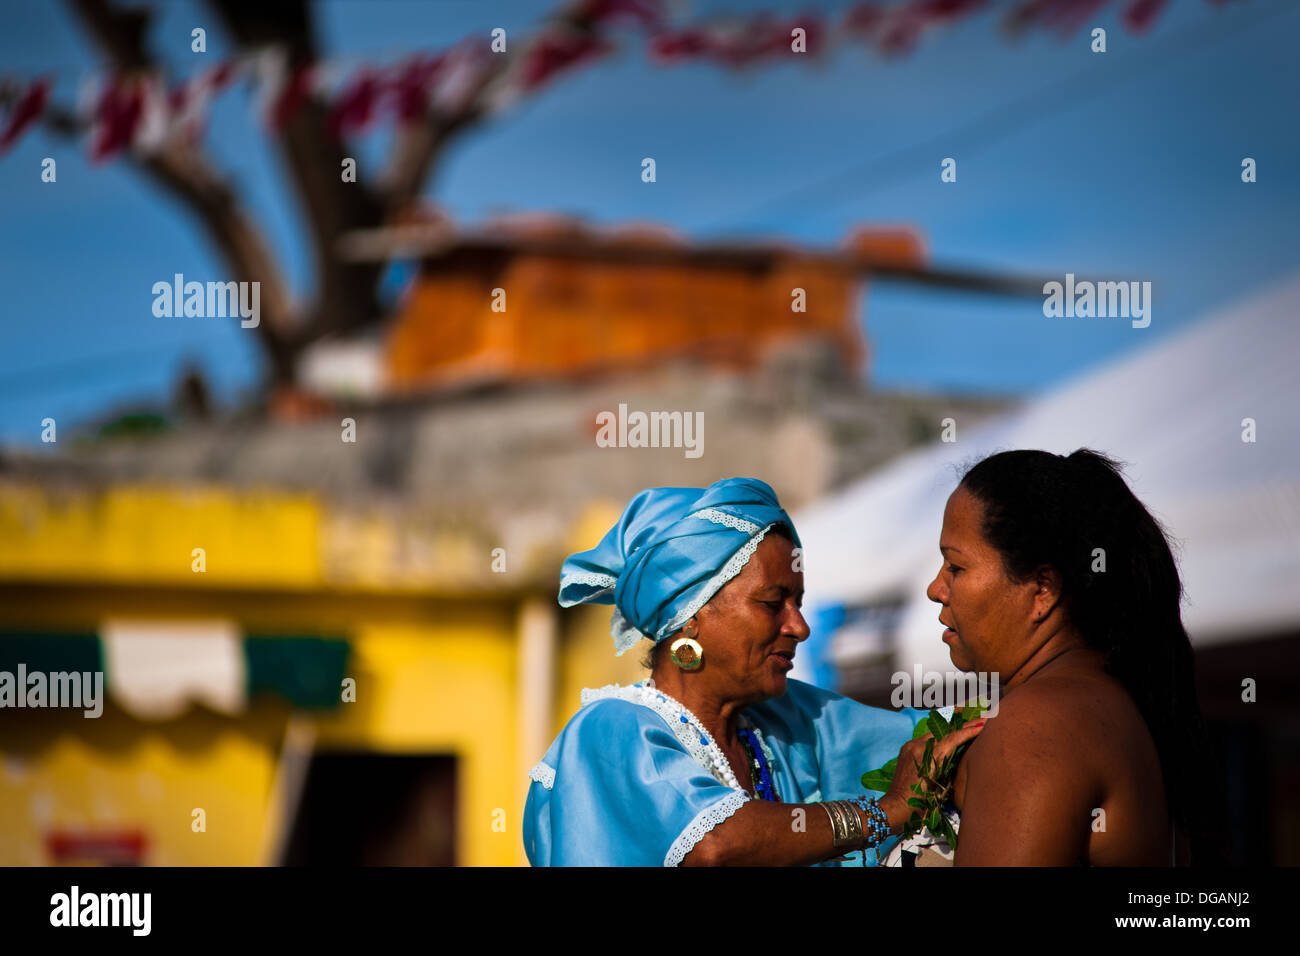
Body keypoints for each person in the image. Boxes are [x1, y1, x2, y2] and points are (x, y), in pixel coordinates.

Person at [522, 477, 985, 866]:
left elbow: (933, 739)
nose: (799, 627)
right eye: (771, 603)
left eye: (798, 603)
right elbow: (716, 845)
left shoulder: (786, 722)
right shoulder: (611, 730)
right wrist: (885, 812)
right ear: (691, 615)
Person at [922, 448, 1222, 865]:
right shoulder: (1108, 701)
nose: (936, 588)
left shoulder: (1035, 723)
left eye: (955, 567)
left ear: (1041, 589)